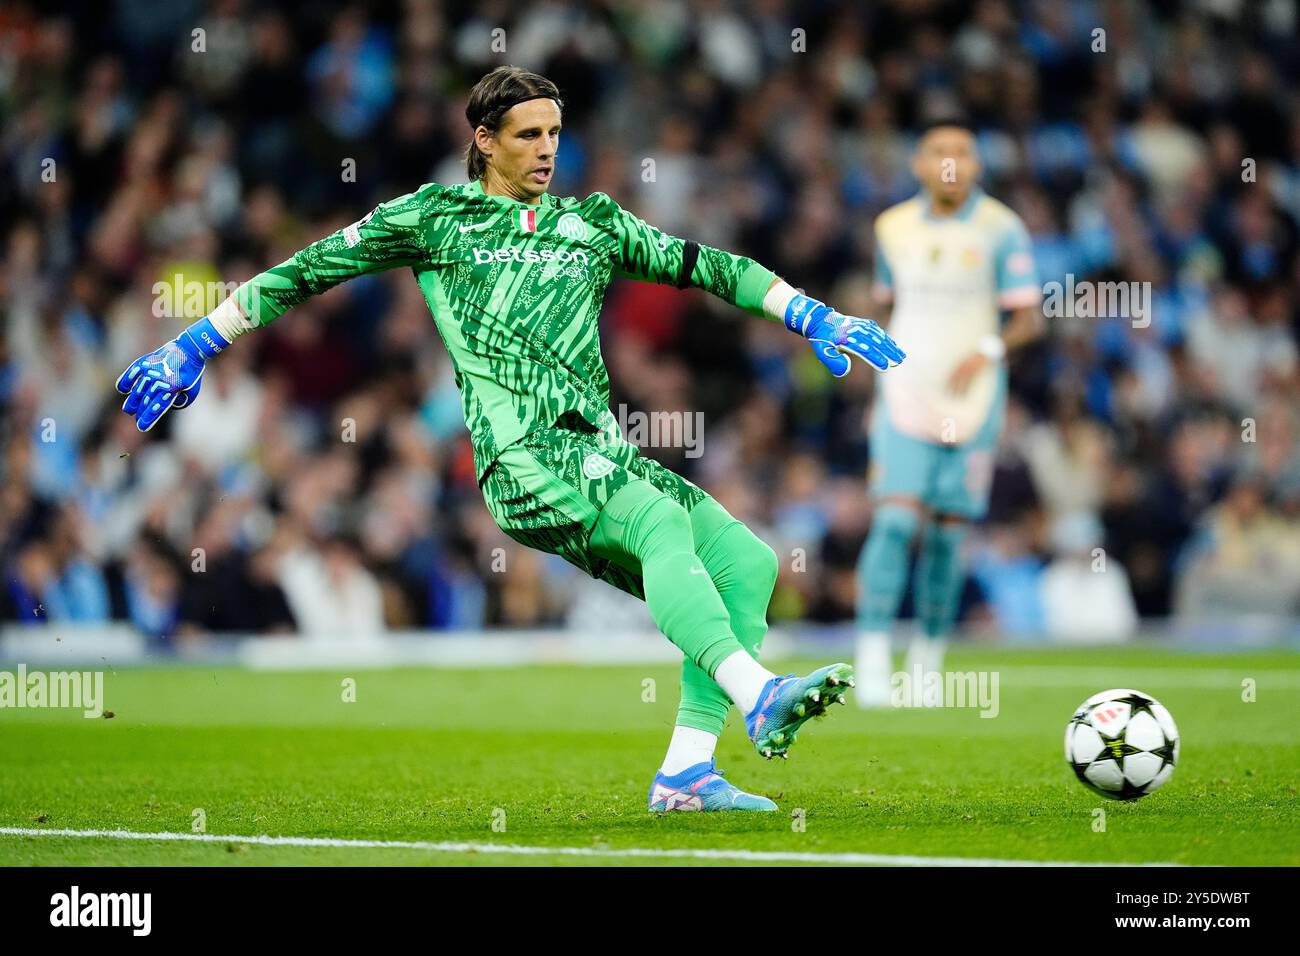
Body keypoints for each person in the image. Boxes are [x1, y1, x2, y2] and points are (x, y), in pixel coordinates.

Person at [116, 66, 905, 812]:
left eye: (555, 132)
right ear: (485, 141)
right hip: (522, 456)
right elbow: (304, 271)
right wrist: (195, 342)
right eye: (527, 135)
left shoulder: (590, 223)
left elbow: (711, 266)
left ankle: (687, 772)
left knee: (749, 561)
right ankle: (756, 692)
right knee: (660, 522)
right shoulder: (435, 218)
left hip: (598, 453)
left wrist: (813, 314)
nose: (547, 149)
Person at [855, 119, 1042, 707]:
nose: (950, 162)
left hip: (974, 399)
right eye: (939, 151)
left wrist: (985, 351)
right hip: (904, 392)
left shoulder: (1002, 228)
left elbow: (1028, 318)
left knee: (945, 538)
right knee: (893, 523)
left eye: (962, 151)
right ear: (918, 163)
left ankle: (928, 662)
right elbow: (883, 309)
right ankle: (873, 659)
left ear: (977, 165)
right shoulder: (893, 228)